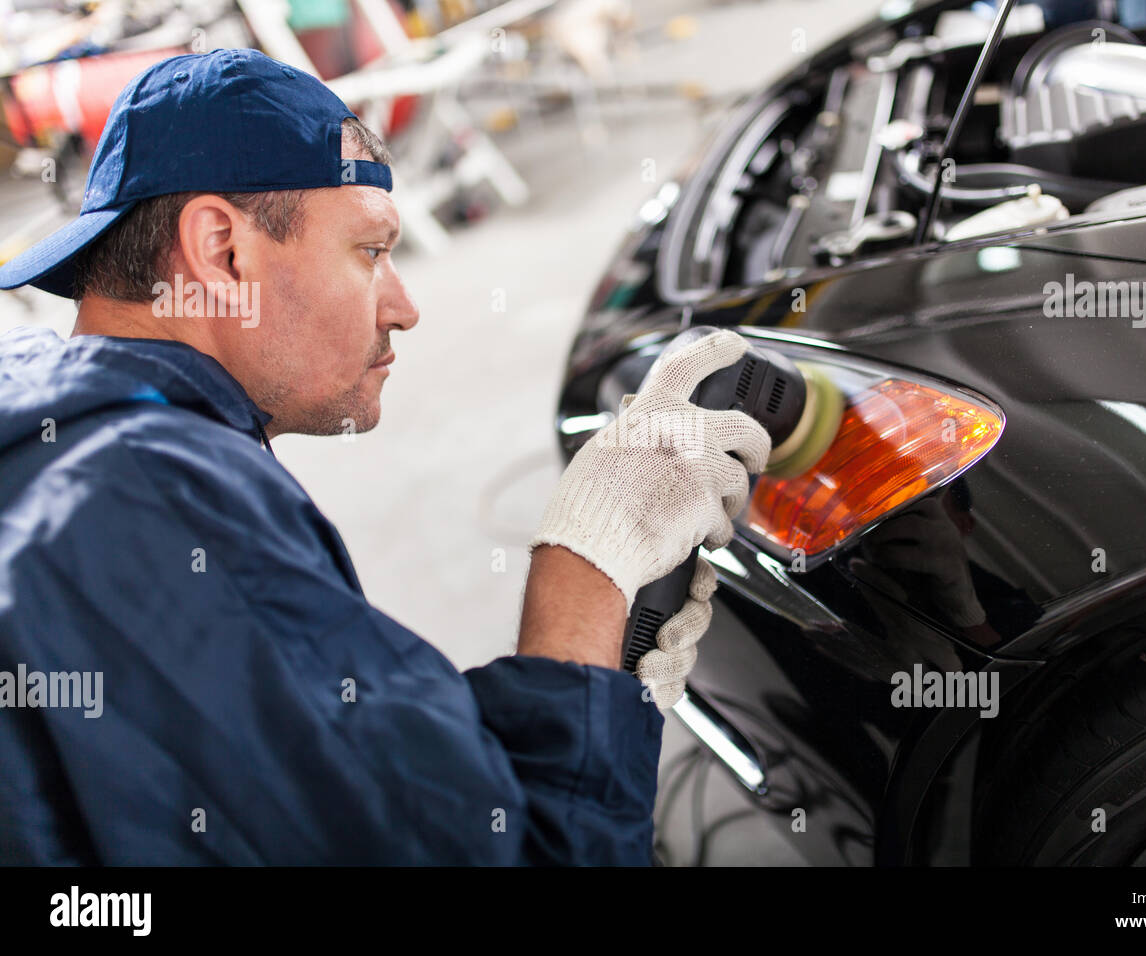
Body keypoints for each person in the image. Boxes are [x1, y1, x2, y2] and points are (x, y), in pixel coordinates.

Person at [0, 49, 769, 865]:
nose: (404, 307)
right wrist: (585, 579)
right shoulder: (155, 500)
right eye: (370, 251)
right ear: (223, 252)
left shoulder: (46, 421)